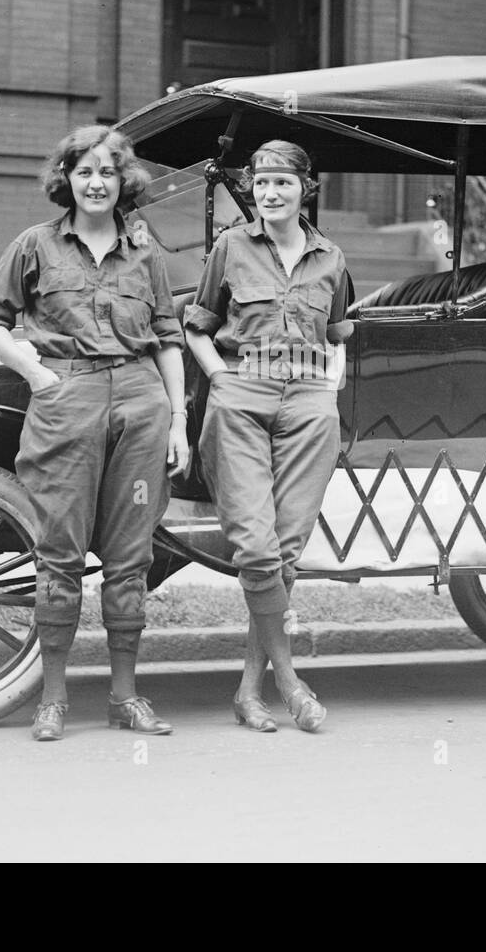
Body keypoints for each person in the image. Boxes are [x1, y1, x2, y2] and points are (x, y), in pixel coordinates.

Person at [0, 125, 190, 742]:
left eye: (108, 173)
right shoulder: (35, 245)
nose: (96, 183)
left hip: (141, 401)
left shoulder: (146, 253)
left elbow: (169, 338)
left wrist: (178, 421)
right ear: (66, 178)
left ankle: (125, 697)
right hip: (66, 400)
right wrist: (36, 374)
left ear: (124, 184)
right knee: (59, 553)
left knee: (130, 557)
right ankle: (55, 699)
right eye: (84, 171)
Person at [184, 140, 353, 732]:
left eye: (282, 182)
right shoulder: (230, 247)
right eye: (260, 183)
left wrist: (328, 390)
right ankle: (290, 682)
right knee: (254, 548)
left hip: (309, 406)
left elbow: (337, 334)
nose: (270, 193)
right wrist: (220, 380)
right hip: (242, 400)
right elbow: (198, 327)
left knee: (283, 556)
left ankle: (247, 693)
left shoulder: (331, 257)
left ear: (306, 188)